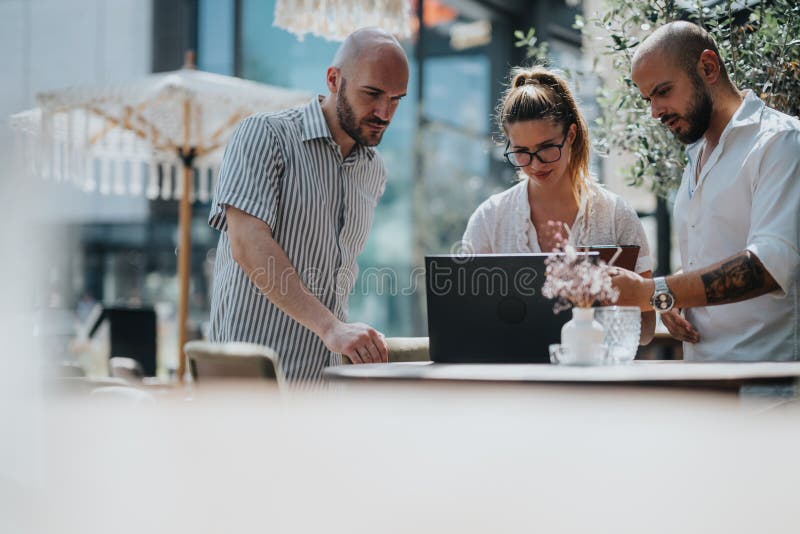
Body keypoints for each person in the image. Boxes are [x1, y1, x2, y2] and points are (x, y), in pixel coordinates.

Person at [207, 27, 409, 382]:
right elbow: (247, 243)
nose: (384, 111)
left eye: (396, 99)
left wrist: (342, 335)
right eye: (373, 93)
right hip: (249, 384)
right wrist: (331, 327)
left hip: (324, 387)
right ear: (334, 79)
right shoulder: (264, 135)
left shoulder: (373, 170)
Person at [611, 21, 800, 361]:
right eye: (648, 99)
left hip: (768, 390)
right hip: (704, 379)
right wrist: (672, 295)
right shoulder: (697, 154)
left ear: (708, 68)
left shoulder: (781, 142)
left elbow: (769, 266)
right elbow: (717, 252)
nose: (655, 112)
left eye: (663, 91)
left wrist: (652, 291)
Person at [462, 66, 655, 344]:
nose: (536, 164)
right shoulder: (489, 219)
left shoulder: (616, 215)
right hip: (511, 380)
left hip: (597, 378)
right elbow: (467, 316)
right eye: (521, 153)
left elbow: (646, 328)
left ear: (572, 135)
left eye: (546, 148)